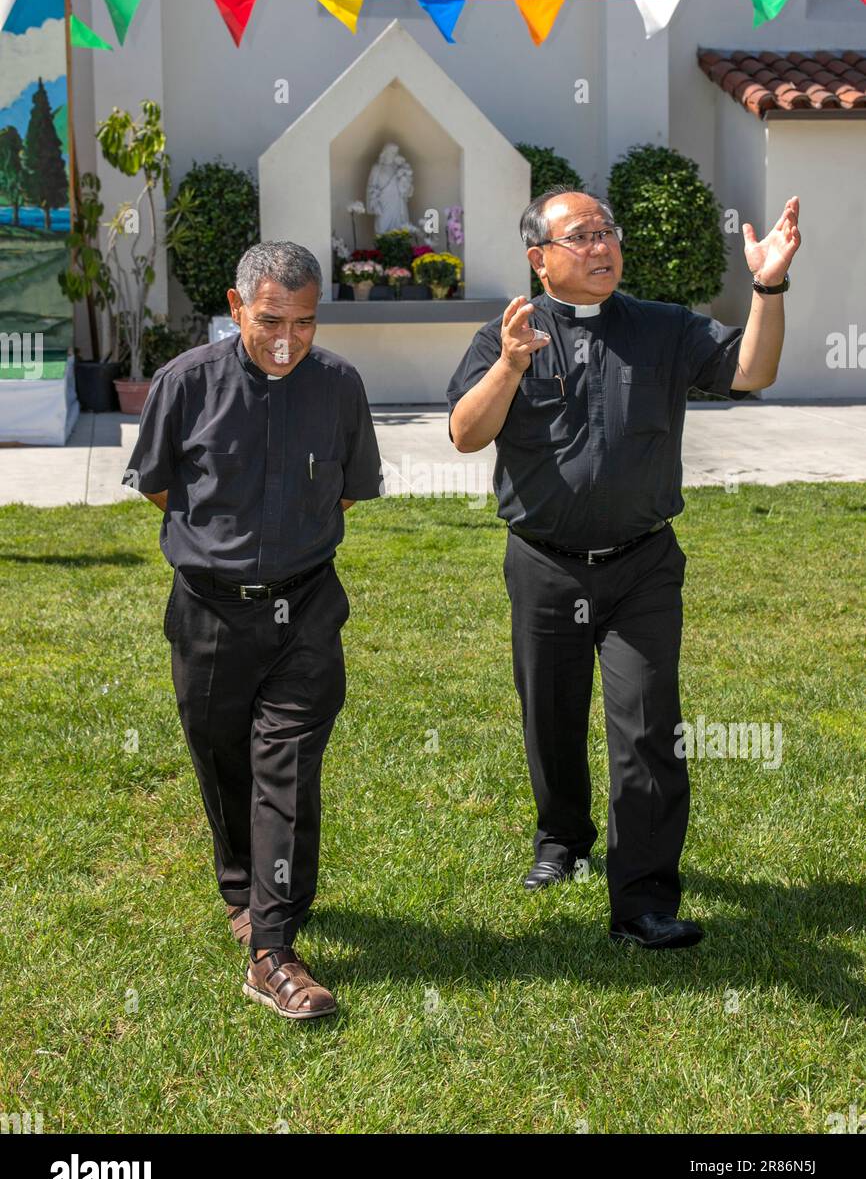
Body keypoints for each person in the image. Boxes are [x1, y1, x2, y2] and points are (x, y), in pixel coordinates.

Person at [447, 187, 800, 949]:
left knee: (647, 724)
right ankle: (562, 844)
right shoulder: (507, 334)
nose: (603, 245)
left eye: (608, 231)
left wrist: (768, 286)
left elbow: (752, 371)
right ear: (540, 259)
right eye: (582, 235)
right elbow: (465, 434)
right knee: (551, 714)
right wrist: (509, 367)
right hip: (544, 565)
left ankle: (642, 899)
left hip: (642, 566)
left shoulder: (662, 328)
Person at [122, 241, 383, 1016]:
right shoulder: (183, 383)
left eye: (303, 323)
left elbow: (348, 492)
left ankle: (273, 948)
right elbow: (160, 486)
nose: (286, 339)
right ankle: (243, 890)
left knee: (288, 770)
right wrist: (224, 552)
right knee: (223, 760)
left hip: (305, 611)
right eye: (270, 320)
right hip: (208, 613)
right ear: (236, 309)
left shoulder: (339, 386)